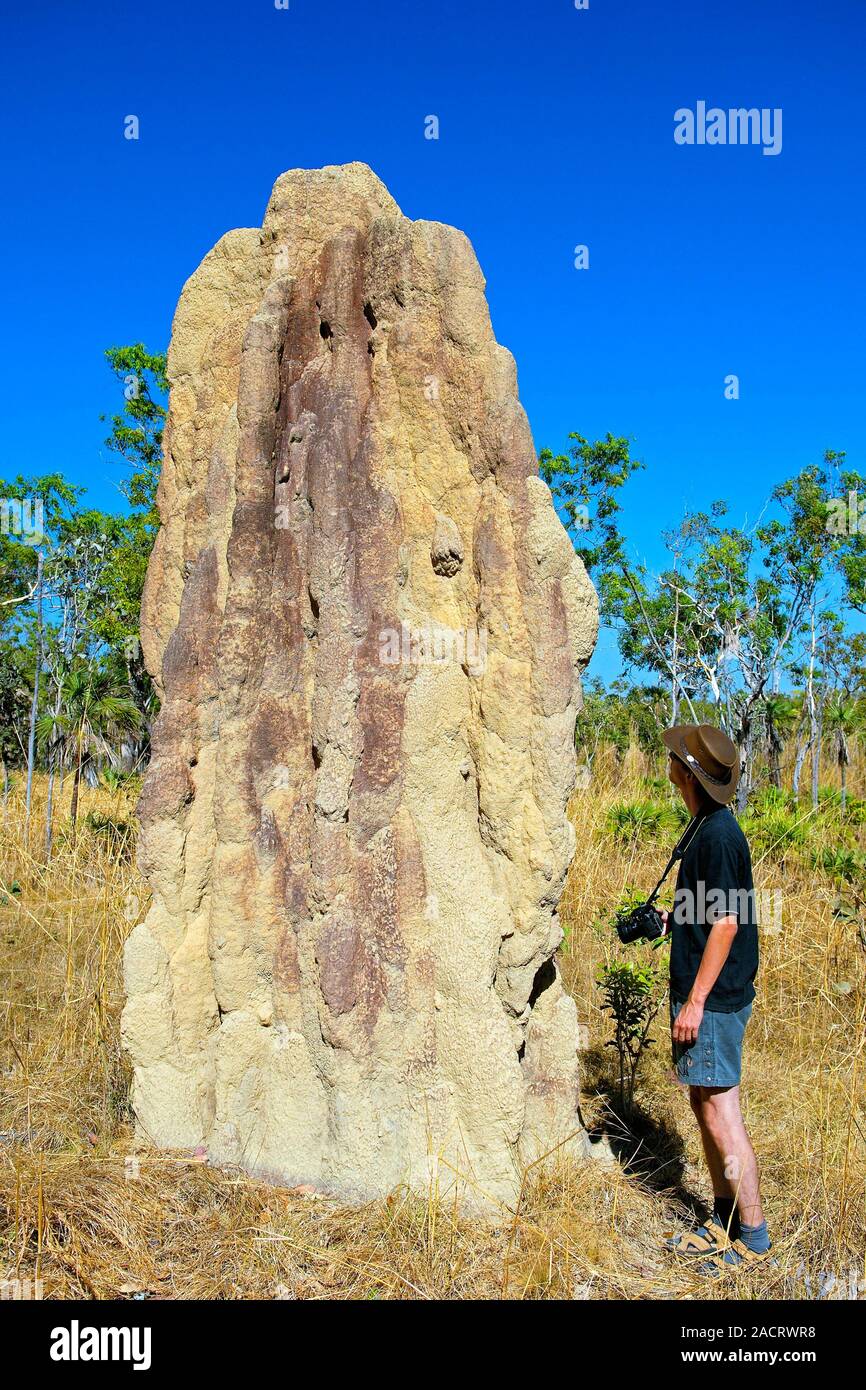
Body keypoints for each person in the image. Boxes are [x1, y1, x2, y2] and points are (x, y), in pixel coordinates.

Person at [659, 723, 772, 1274]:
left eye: (676, 761)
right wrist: (670, 918)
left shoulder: (720, 836)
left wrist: (696, 1001)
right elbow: (709, 911)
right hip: (707, 994)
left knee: (722, 1111)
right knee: (705, 1104)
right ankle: (725, 1217)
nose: (670, 766)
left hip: (716, 1001)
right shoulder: (704, 827)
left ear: (688, 773)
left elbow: (727, 924)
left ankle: (751, 1236)